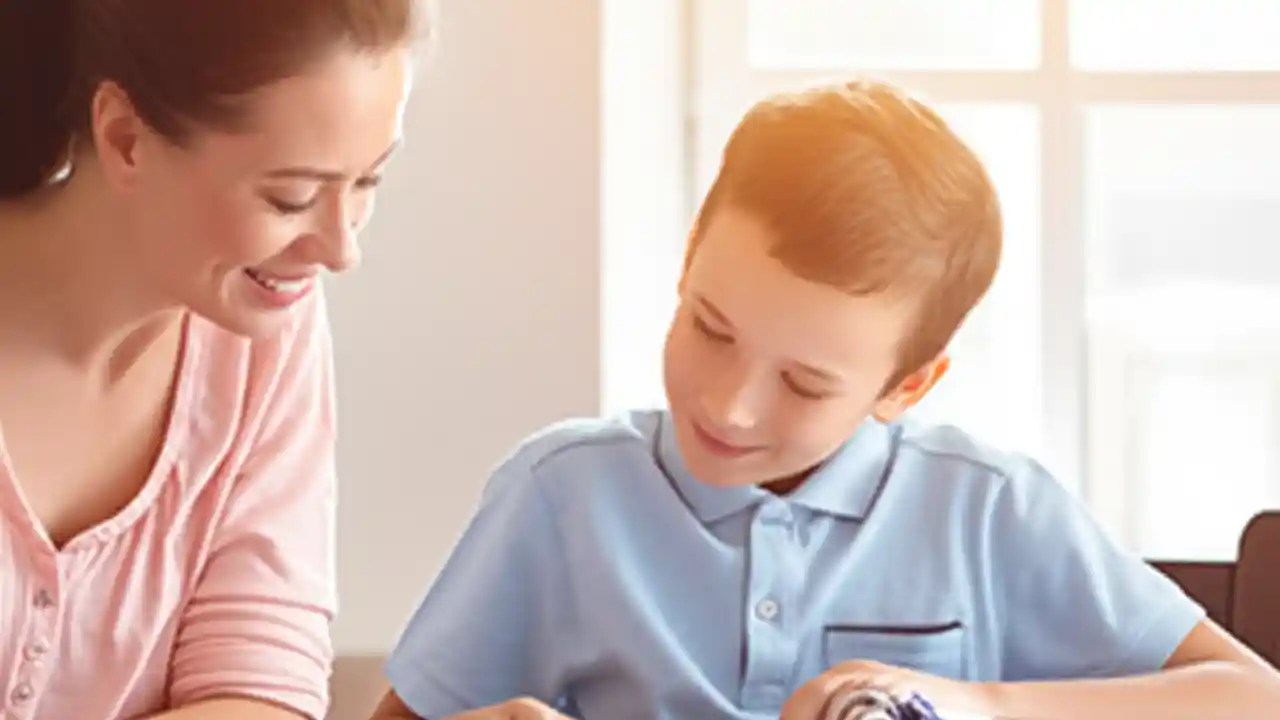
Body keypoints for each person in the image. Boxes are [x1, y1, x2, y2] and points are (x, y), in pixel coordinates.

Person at [372, 81, 1280, 720]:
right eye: (710, 328)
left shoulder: (986, 509)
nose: (729, 407)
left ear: (907, 386)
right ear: (687, 260)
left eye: (804, 382)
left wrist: (965, 705)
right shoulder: (560, 495)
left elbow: (1253, 699)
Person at [0, 1, 416, 718]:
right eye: (291, 198)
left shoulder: (262, 336)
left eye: (366, 185)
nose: (341, 250)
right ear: (127, 138)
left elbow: (261, 688)